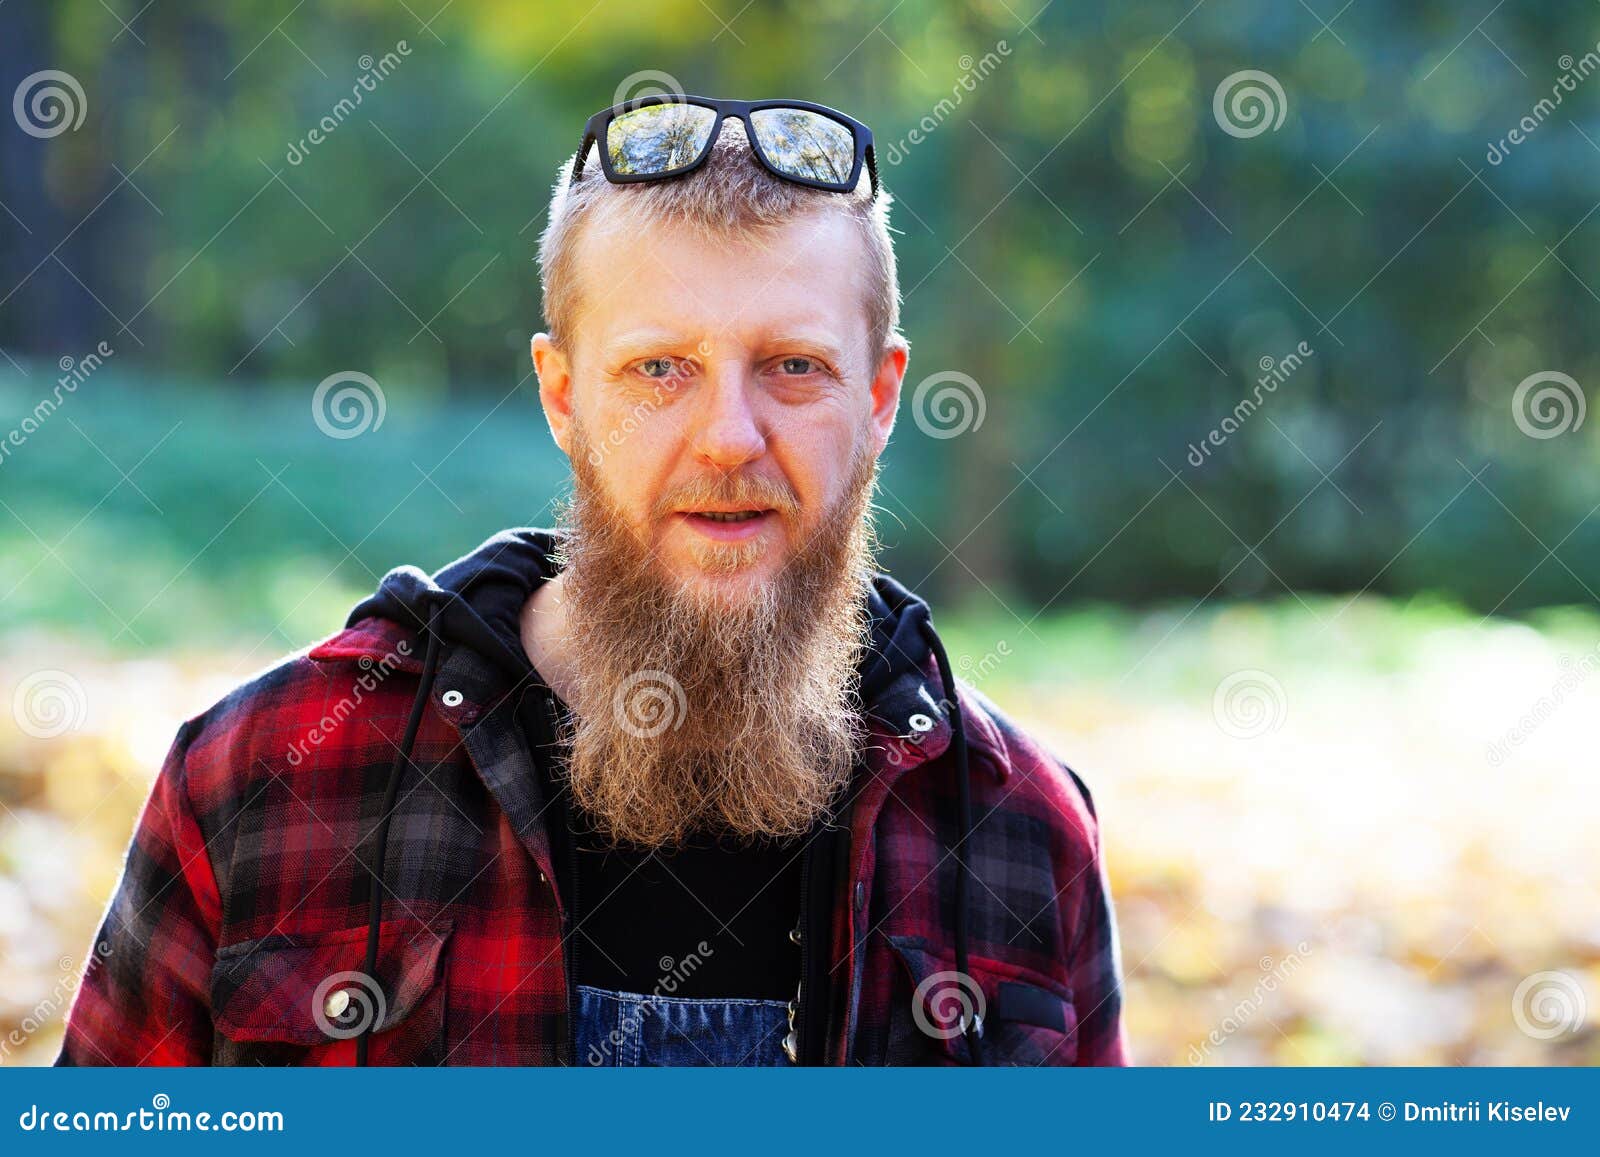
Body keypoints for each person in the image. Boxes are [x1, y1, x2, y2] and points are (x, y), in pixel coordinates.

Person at [58, 93, 1125, 1066]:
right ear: (562, 396)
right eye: (659, 369)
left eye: (793, 366)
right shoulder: (265, 776)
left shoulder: (1018, 828)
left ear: (881, 397)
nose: (727, 438)